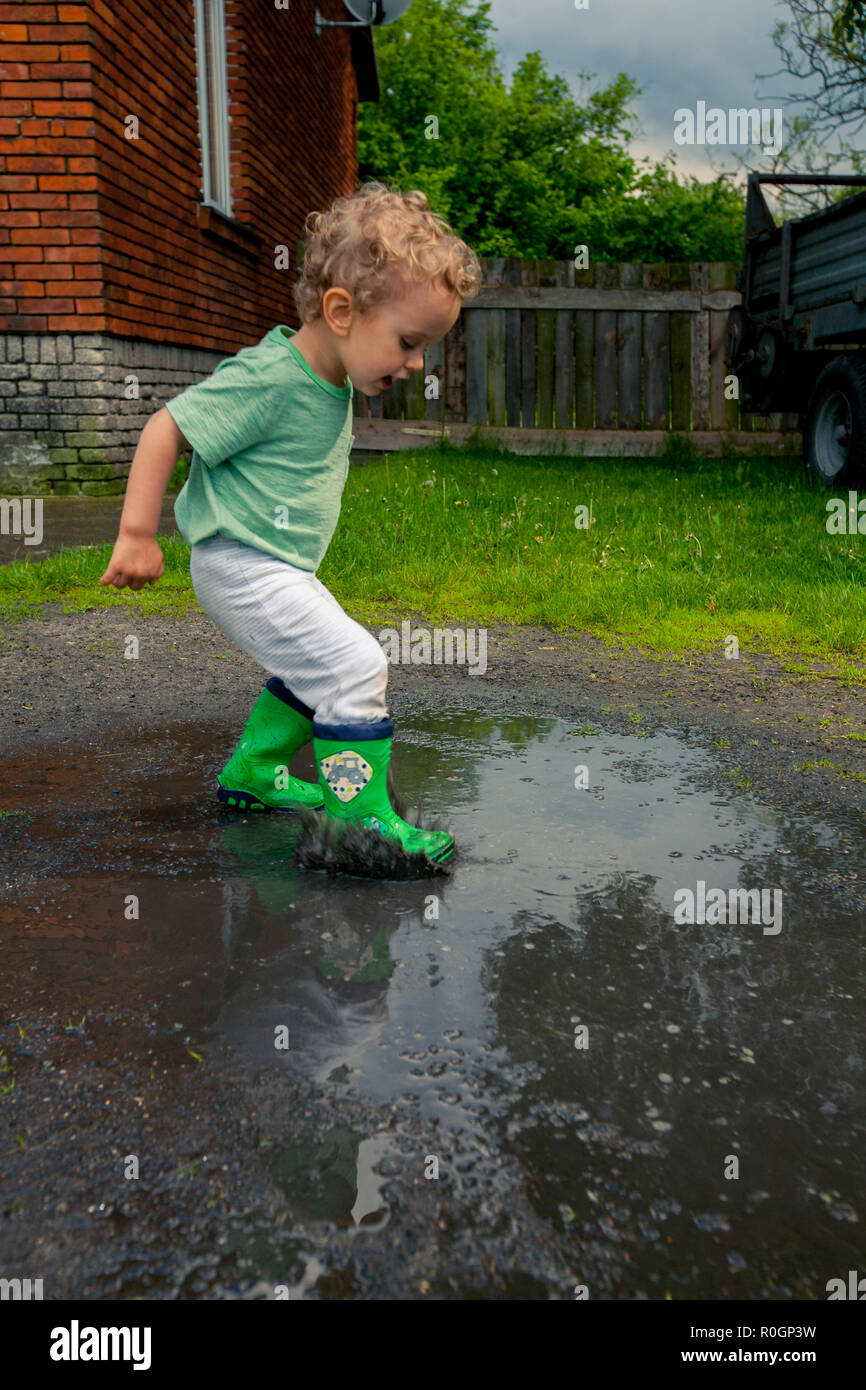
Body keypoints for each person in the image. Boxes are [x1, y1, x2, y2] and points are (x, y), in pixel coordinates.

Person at [99, 181, 482, 865]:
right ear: (341, 311)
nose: (417, 362)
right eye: (408, 340)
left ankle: (255, 772)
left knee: (317, 666)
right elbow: (167, 427)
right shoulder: (271, 376)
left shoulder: (327, 378)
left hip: (272, 565)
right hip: (239, 563)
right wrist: (136, 534)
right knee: (356, 664)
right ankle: (357, 826)